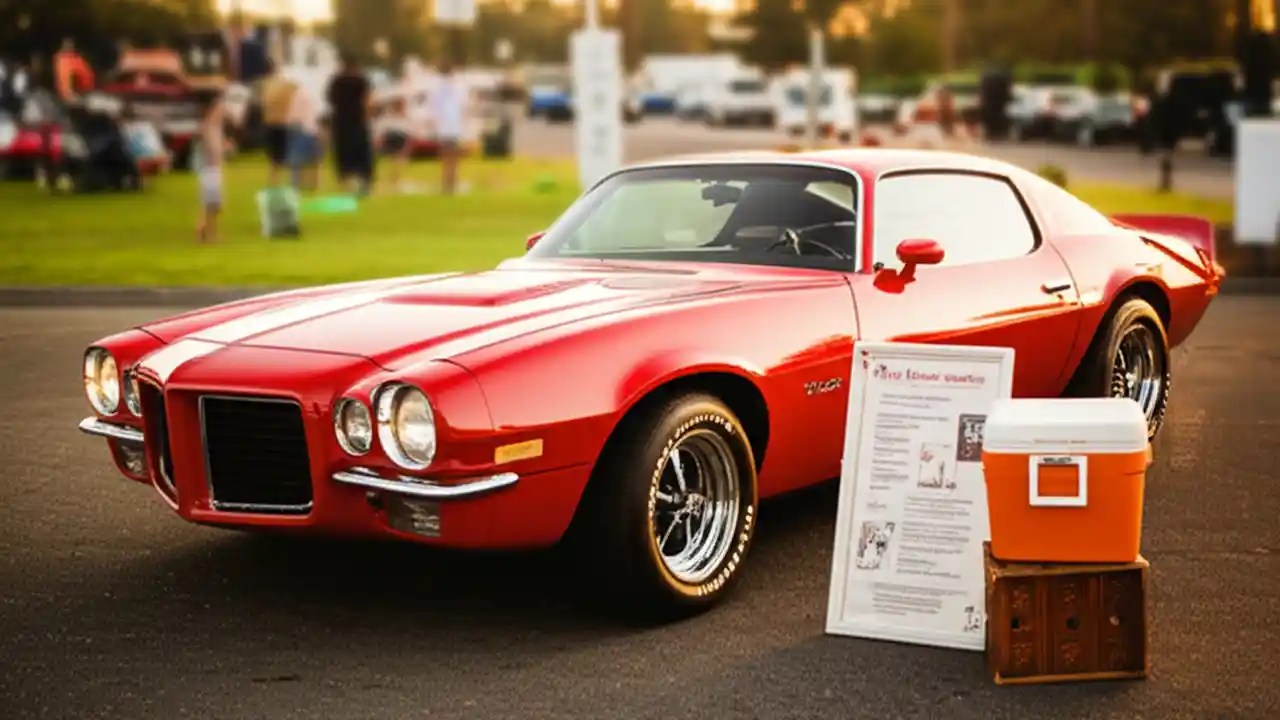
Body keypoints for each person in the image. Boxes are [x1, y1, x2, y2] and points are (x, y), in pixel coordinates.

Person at [326, 53, 374, 196]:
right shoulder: (361, 79)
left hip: (340, 122)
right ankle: (363, 185)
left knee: (343, 154)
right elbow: (367, 100)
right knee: (361, 154)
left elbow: (330, 100)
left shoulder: (336, 80)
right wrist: (367, 116)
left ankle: (345, 185)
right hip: (357, 121)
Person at [428, 61, 468, 195]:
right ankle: (450, 183)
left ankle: (448, 182)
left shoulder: (441, 86)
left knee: (448, 155)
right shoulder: (454, 86)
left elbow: (435, 106)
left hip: (447, 125)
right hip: (452, 125)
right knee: (452, 155)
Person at [193, 92, 226, 243]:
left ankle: (210, 232)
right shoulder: (209, 127)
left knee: (213, 204)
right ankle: (202, 229)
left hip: (212, 168)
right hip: (210, 168)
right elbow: (211, 149)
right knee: (210, 203)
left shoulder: (212, 127)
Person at [259, 60, 296, 186]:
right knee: (280, 155)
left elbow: (264, 102)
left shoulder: (266, 84)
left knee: (276, 155)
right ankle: (277, 179)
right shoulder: (282, 83)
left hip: (272, 122)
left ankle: (275, 179)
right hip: (281, 122)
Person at [285, 75, 322, 191]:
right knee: (311, 159)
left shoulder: (295, 96)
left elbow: (293, 114)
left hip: (299, 127)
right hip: (309, 129)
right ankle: (312, 184)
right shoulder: (306, 96)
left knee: (295, 159)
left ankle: (295, 184)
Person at [379, 93, 413, 191]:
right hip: (398, 136)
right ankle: (395, 179)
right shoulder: (398, 116)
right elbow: (406, 129)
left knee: (396, 159)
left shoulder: (391, 115)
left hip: (394, 135)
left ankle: (395, 178)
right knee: (399, 158)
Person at [54, 39, 94, 104]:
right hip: (74, 95)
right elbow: (70, 76)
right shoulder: (65, 60)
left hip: (80, 93)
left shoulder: (70, 59)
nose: (71, 47)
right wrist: (72, 93)